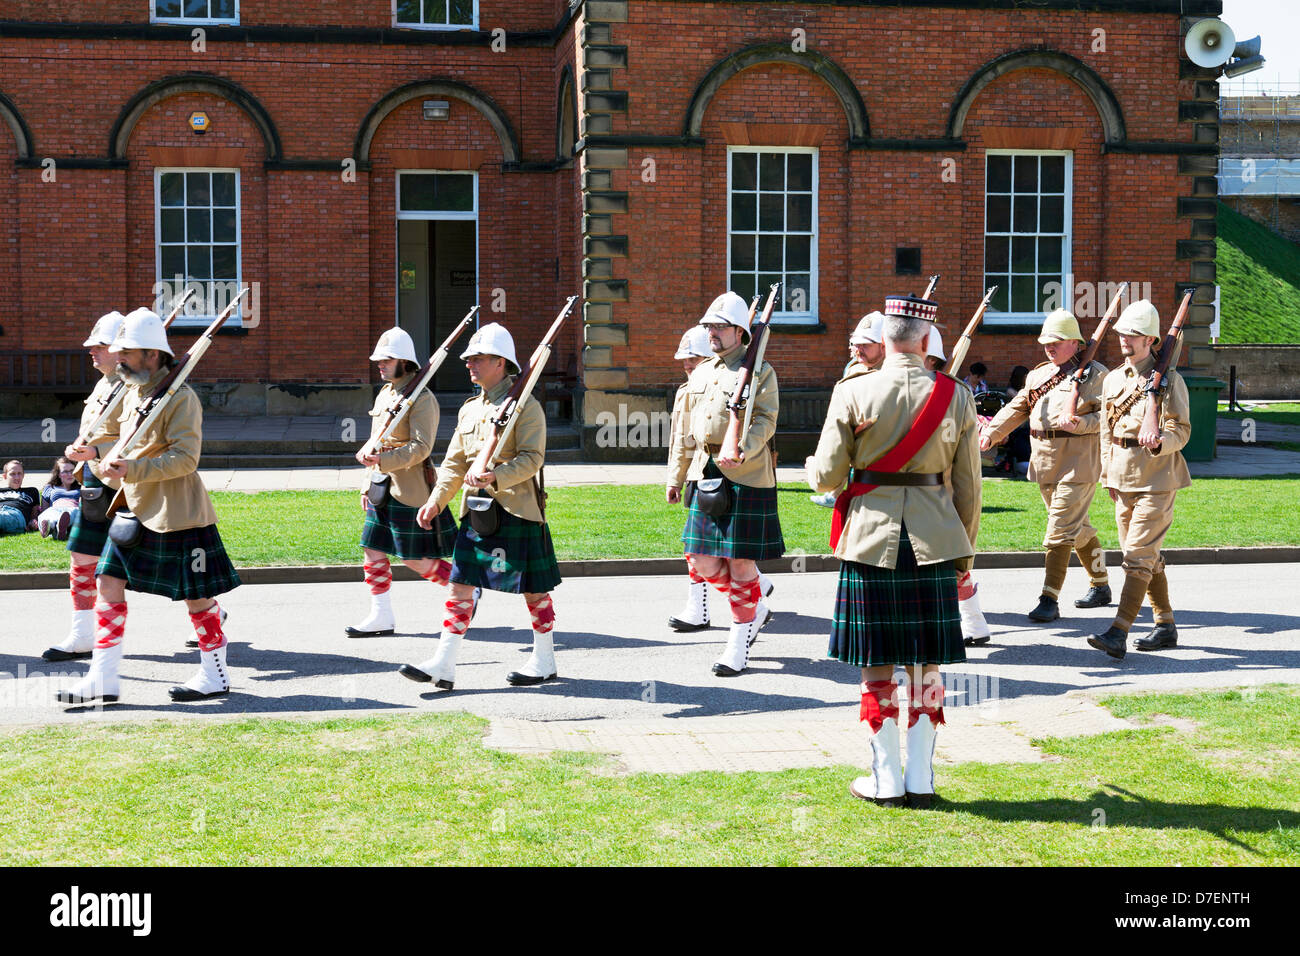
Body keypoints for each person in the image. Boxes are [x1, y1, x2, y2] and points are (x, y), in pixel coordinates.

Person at [807, 294, 980, 808]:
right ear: (927, 341)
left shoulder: (853, 390)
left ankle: (884, 780)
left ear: (884, 340)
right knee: (927, 664)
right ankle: (922, 779)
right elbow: (969, 487)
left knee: (876, 662)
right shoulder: (957, 395)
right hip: (935, 541)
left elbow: (825, 475)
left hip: (870, 539)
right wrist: (964, 555)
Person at [57, 308, 241, 704]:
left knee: (197, 598)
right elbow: (116, 439)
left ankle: (215, 674)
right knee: (107, 583)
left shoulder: (182, 399)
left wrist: (133, 467)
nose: (118, 358)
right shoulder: (136, 393)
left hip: (178, 513)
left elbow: (185, 459)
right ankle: (103, 677)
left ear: (153, 355)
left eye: (127, 353)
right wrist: (95, 450)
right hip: (134, 507)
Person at [400, 323, 561, 689]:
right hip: (476, 514)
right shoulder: (471, 409)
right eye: (469, 358)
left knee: (533, 590)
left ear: (501, 363)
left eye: (478, 358)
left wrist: (495, 476)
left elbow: (533, 458)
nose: (469, 364)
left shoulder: (527, 407)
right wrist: (435, 500)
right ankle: (443, 663)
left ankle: (544, 658)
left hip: (516, 509)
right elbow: (455, 463)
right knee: (460, 586)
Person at [667, 291, 782, 676]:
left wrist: (744, 448)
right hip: (705, 471)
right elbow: (683, 430)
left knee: (741, 563)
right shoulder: (702, 371)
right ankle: (755, 607)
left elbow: (766, 420)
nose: (711, 333)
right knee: (701, 559)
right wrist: (676, 476)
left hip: (745, 475)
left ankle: (737, 644)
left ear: (739, 331)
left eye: (718, 326)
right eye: (709, 326)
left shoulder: (761, 371)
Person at [979, 309, 1111, 622]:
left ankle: (1049, 598)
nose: (1049, 347)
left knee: (1059, 530)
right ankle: (1101, 584)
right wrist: (992, 433)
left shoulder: (1097, 375)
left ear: (1075, 343)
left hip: (1078, 461)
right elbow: (1019, 406)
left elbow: (1110, 417)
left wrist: (1080, 422)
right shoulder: (1039, 375)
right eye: (1046, 342)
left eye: (1056, 341)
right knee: (1076, 527)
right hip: (1045, 460)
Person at [1089, 299, 1191, 660]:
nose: (1124, 340)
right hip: (1122, 477)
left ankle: (1118, 631)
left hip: (1158, 478)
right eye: (1122, 334)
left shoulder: (1170, 380)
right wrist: (1106, 475)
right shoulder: (1113, 378)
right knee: (1148, 558)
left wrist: (1162, 441)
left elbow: (1182, 429)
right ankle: (1165, 625)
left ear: (1151, 340)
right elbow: (1106, 432)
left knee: (1135, 558)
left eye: (1133, 336)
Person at [346, 327, 460, 637]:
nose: (379, 364)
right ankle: (381, 615)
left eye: (386, 359)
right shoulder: (386, 393)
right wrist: (367, 482)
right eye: (379, 359)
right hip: (381, 486)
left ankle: (463, 589)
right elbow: (375, 442)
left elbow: (421, 447)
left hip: (409, 489)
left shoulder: (423, 399)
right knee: (371, 548)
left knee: (415, 559)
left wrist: (381, 461)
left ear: (404, 361)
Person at [43, 311, 126, 661]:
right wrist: (81, 451)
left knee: (171, 565)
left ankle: (207, 608)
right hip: (94, 480)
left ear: (120, 349)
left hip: (132, 484)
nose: (91, 351)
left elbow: (146, 439)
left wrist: (97, 450)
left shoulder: (139, 385)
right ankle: (82, 635)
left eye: (99, 346)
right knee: (82, 558)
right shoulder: (105, 382)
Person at [812, 312, 886, 508]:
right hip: (856, 466)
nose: (858, 348)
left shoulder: (892, 375)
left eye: (866, 344)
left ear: (884, 345)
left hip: (881, 468)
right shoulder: (854, 369)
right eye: (856, 343)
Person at [37, 457, 81, 540]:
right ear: (58, 474)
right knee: (45, 516)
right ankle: (50, 528)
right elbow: (44, 509)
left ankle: (57, 529)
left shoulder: (81, 488)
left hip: (73, 509)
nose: (70, 474)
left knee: (71, 513)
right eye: (65, 471)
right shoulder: (50, 488)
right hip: (54, 509)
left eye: (72, 471)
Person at [0, 459, 41, 535]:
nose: (17, 477)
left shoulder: (31, 491)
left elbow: (35, 513)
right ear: (5, 476)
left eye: (19, 473)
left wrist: (33, 521)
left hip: (16, 515)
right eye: (12, 474)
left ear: (23, 475)